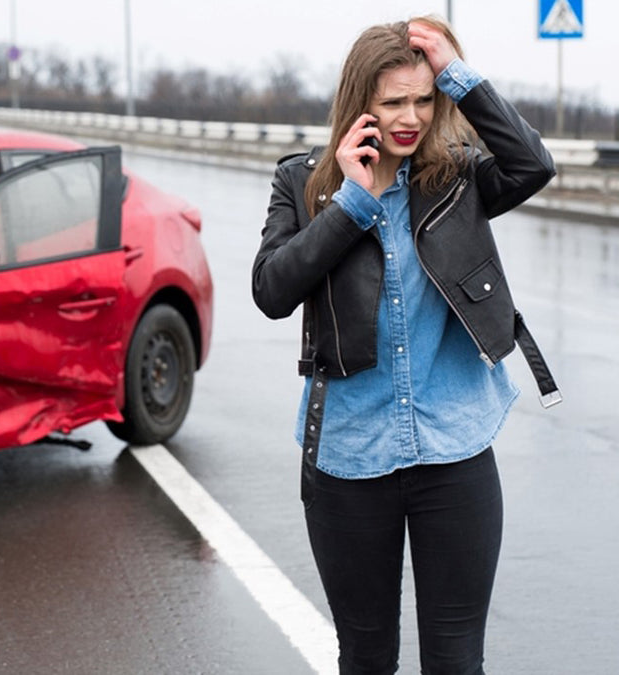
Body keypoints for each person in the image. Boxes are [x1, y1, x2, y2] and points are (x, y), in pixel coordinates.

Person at [251, 16, 561, 675]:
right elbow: (272, 290)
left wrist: (457, 71)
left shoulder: (457, 176)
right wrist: (352, 206)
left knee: (455, 661)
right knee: (366, 658)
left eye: (425, 99)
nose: (411, 117)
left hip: (455, 449)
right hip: (349, 456)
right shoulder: (305, 185)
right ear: (360, 102)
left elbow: (533, 163)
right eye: (394, 101)